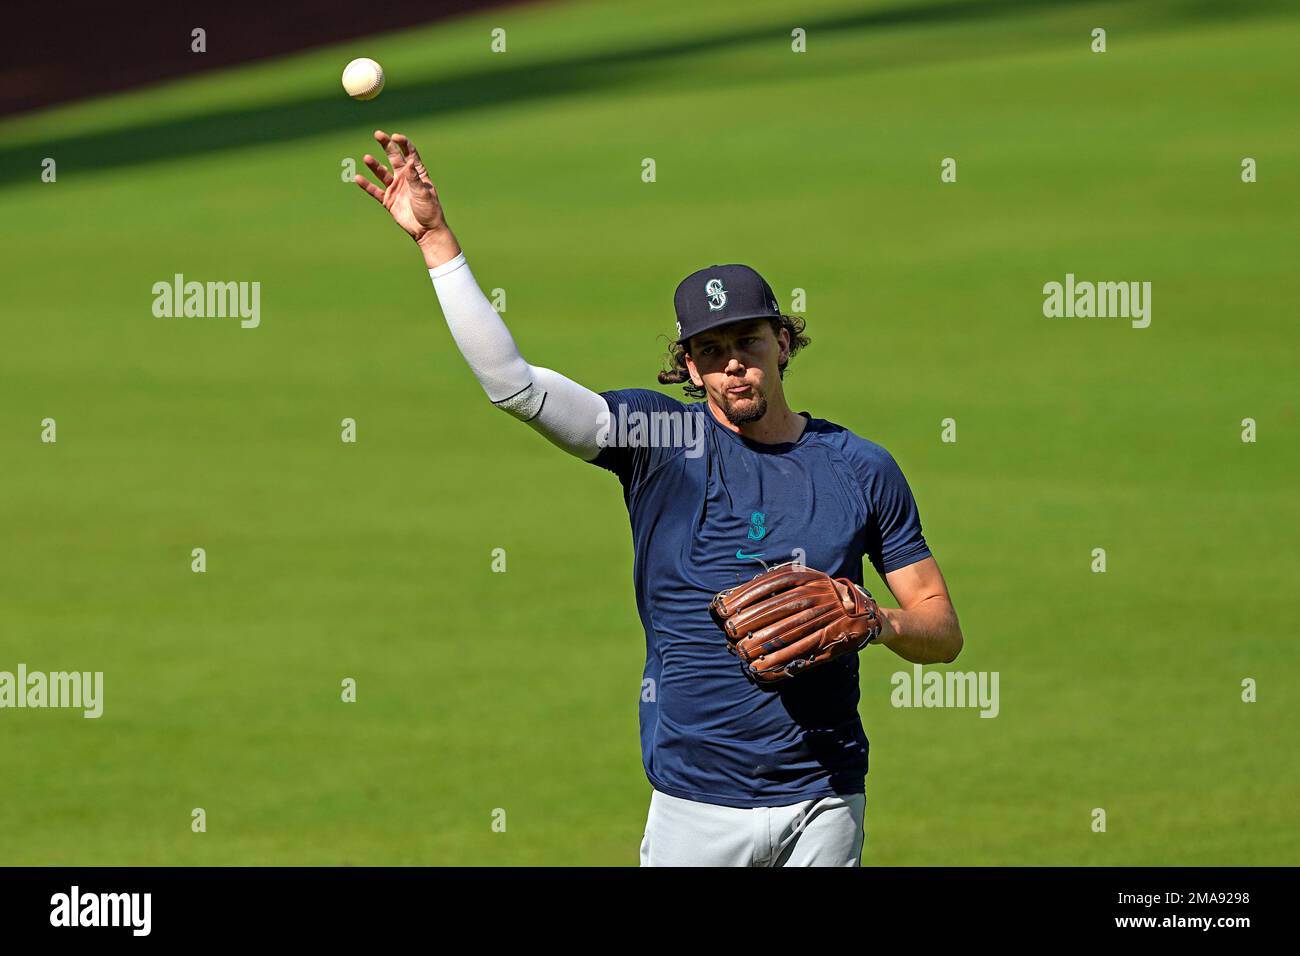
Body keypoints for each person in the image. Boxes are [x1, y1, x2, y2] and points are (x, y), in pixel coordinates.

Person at [354, 130, 964, 866]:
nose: (734, 366)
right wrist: (437, 242)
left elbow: (942, 630)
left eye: (749, 342)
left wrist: (876, 620)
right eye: (711, 352)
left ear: (783, 341)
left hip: (826, 796)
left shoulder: (860, 466)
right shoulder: (655, 436)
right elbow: (512, 385)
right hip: (694, 806)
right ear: (687, 365)